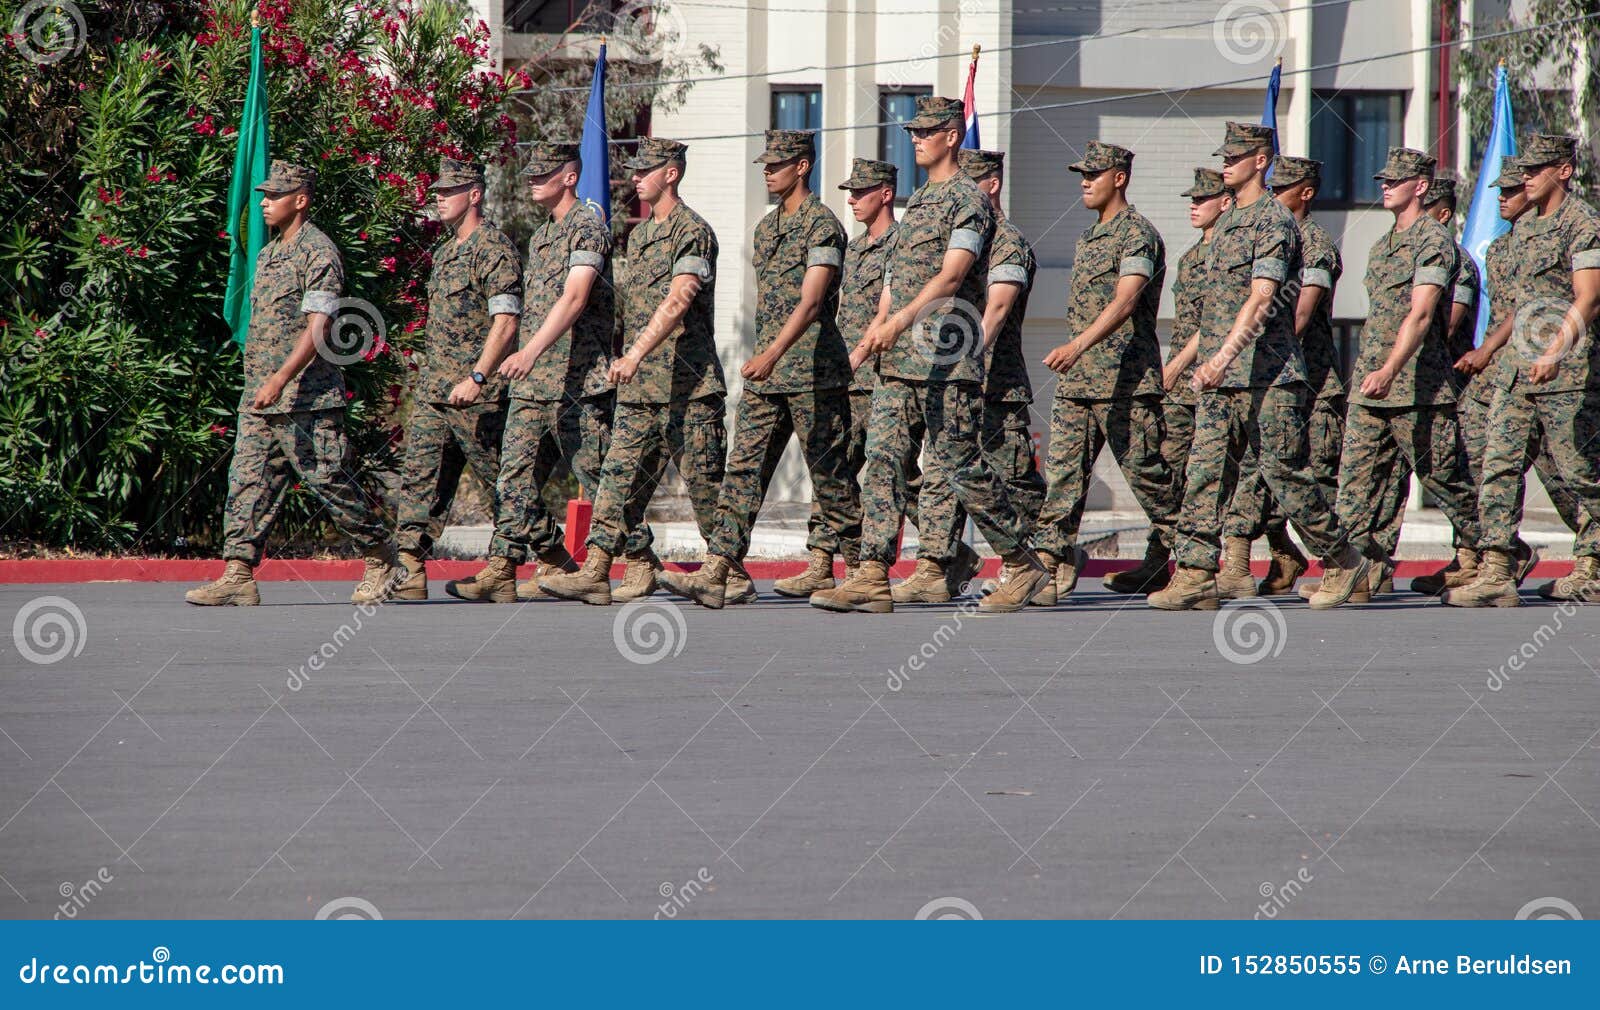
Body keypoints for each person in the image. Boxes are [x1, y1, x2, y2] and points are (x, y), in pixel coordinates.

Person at [811, 96, 1050, 614]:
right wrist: (875, 334)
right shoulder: (918, 203)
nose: (915, 138)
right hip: (899, 361)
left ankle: (1023, 561)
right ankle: (873, 572)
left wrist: (897, 323)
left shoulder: (970, 201)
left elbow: (952, 276)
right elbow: (896, 285)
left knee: (959, 464)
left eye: (926, 131)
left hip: (947, 358)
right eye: (913, 131)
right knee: (882, 461)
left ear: (951, 135)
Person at [1149, 122, 1370, 611]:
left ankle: (1346, 561)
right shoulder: (1225, 223)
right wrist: (1195, 362)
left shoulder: (1273, 222)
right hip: (1222, 378)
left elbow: (1263, 298)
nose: (1226, 163)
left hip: (1270, 376)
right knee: (1205, 473)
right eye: (1224, 156)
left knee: (1285, 475)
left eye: (1236, 156)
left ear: (1261, 161)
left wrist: (1223, 358)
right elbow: (1213, 312)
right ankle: (1195, 574)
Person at [659, 130, 860, 608]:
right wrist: (765, 358)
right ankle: (717, 569)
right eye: (765, 165)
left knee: (831, 478)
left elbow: (812, 303)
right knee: (742, 472)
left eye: (777, 164)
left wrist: (770, 354)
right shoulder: (765, 229)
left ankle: (862, 568)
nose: (767, 172)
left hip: (814, 376)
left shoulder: (824, 226)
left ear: (803, 166)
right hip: (768, 381)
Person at [186, 161, 401, 607]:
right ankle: (238, 573)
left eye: (275, 195)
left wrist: (282, 378)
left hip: (307, 398)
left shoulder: (318, 252)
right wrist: (262, 383)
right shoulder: (267, 255)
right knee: (247, 482)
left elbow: (320, 326)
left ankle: (382, 556)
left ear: (300, 200)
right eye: (264, 195)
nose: (264, 202)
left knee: (328, 481)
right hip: (260, 397)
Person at [540, 137, 727, 605]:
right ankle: (597, 570)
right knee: (616, 481)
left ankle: (728, 569)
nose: (635, 177)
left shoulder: (693, 231)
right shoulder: (640, 235)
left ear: (672, 173)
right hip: (641, 390)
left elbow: (679, 298)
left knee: (706, 489)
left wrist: (635, 352)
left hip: (689, 388)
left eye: (646, 170)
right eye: (633, 170)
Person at [486, 141, 655, 602]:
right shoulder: (542, 236)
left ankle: (640, 561)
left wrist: (530, 351)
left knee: (603, 481)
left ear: (570, 177)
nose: (534, 181)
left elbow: (576, 298)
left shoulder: (587, 227)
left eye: (544, 174)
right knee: (511, 482)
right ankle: (545, 561)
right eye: (531, 175)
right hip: (534, 386)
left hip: (580, 382)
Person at [1316, 148, 1483, 602]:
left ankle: (1497, 548)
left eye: (1396, 180)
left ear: (1421, 186)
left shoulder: (1434, 242)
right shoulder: (1382, 244)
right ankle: (1348, 571)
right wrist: (1375, 371)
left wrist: (1391, 368)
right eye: (1383, 180)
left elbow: (1424, 313)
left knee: (1444, 480)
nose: (1385, 186)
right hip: (1372, 386)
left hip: (1417, 389)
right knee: (1354, 483)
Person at [1446, 134, 1600, 607]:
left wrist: (1553, 353)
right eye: (1525, 170)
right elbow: (1520, 305)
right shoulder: (1528, 230)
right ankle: (1496, 569)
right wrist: (1492, 350)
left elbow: (1589, 297)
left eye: (1537, 169)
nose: (1526, 177)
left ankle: (1593, 565)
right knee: (1499, 465)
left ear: (1565, 171)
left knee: (1580, 472)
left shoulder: (1583, 223)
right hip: (1517, 369)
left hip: (1567, 370)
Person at [1034, 140, 1179, 602]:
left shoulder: (1137, 235)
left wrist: (1077, 344)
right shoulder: (1089, 237)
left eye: (1093, 174)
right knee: (1062, 481)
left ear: (1119, 177)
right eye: (1082, 174)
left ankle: (1198, 558)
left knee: (1148, 480)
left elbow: (1126, 300)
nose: (1084, 182)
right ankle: (1052, 567)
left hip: (1125, 384)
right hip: (1081, 384)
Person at [895, 148, 1040, 604]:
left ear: (990, 185)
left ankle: (1041, 564)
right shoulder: (961, 234)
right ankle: (936, 567)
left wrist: (966, 364)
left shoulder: (1007, 241)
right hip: (956, 375)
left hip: (993, 382)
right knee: (941, 473)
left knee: (1008, 481)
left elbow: (995, 312)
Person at [390, 159, 522, 602]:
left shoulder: (494, 248)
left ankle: (542, 558)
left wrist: (478, 377)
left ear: (476, 194)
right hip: (434, 391)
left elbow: (505, 322)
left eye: (450, 190)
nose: (439, 197)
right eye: (437, 190)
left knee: (504, 483)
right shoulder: (446, 252)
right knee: (420, 478)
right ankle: (408, 568)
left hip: (476, 395)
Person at [1219, 155, 1346, 598]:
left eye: (1284, 186)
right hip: (1253, 373)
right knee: (1259, 471)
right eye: (1271, 185)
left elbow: (1300, 315)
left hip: (1302, 381)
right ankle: (1263, 557)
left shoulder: (1313, 243)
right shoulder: (1254, 229)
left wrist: (1238, 354)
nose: (1273, 192)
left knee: (1291, 475)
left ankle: (1347, 564)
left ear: (1306, 192)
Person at [1139, 168, 1229, 595]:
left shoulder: (1229, 254)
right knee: (1168, 471)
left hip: (1212, 378)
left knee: (1214, 477)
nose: (1193, 206)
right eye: (1191, 199)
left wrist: (1178, 364)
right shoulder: (1194, 254)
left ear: (1225, 202)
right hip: (1181, 383)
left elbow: (1215, 321)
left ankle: (1226, 564)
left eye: (1203, 199)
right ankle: (1158, 561)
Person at [818, 156, 899, 596]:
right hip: (847, 373)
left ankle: (942, 552)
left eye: (860, 192)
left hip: (875, 374)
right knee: (836, 464)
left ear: (885, 194)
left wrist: (857, 358)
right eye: (849, 192)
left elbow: (883, 314)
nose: (851, 199)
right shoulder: (856, 246)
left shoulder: (899, 244)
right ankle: (822, 560)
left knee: (882, 470)